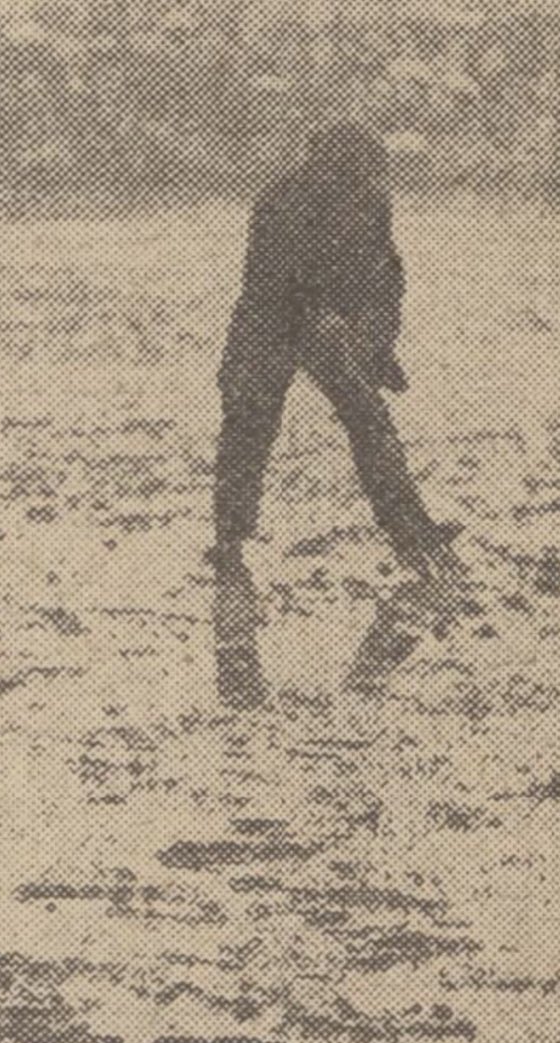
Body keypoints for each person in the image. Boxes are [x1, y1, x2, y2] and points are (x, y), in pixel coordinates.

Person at [210, 122, 463, 707]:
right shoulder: (278, 201)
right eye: (347, 171)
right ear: (320, 165)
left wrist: (378, 347)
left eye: (366, 173)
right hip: (268, 325)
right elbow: (268, 282)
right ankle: (229, 540)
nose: (359, 182)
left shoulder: (372, 202)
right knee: (248, 428)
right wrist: (320, 315)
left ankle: (412, 532)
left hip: (330, 326)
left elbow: (385, 277)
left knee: (371, 423)